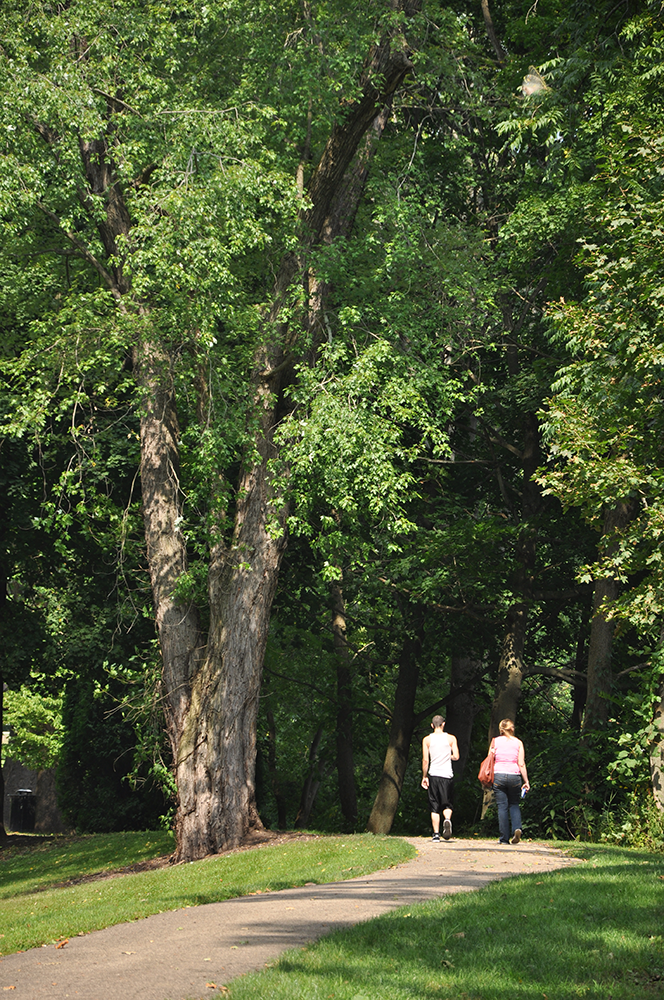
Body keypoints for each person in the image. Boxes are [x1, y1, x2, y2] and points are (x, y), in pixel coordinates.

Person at [491, 718, 530, 845]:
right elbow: (521, 763)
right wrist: (526, 781)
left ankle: (503, 839)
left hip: (499, 775)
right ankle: (517, 828)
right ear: (512, 728)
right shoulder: (518, 743)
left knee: (502, 807)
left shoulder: (495, 741)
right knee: (514, 804)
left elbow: (490, 759)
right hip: (514, 776)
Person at [421, 715, 459, 841]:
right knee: (447, 803)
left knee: (434, 805)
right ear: (443, 724)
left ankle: (436, 834)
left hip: (434, 774)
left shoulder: (427, 740)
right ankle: (447, 820)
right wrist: (448, 756)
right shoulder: (451, 738)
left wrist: (424, 776)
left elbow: (426, 760)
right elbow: (456, 756)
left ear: (432, 725)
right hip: (447, 775)